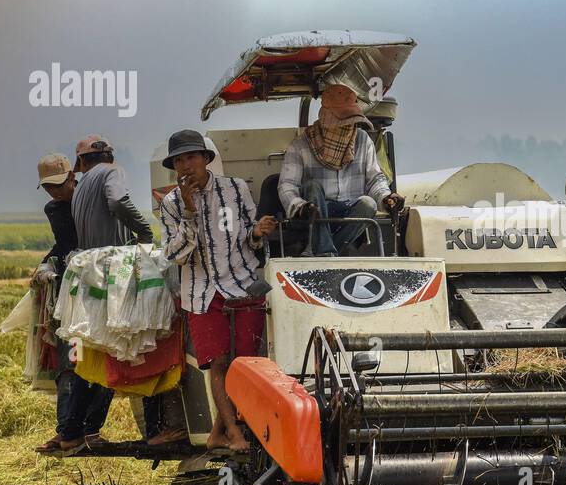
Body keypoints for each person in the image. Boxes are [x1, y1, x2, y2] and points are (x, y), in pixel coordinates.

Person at [158, 130, 277, 451]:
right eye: (179, 160)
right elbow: (175, 254)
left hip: (243, 284)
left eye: (191, 157)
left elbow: (251, 240)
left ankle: (217, 433)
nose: (186, 166)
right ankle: (234, 435)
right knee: (220, 362)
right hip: (202, 292)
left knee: (246, 362)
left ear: (206, 159)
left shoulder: (235, 189)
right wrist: (190, 213)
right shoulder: (170, 204)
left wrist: (258, 231)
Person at [68, 135, 174, 447]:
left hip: (89, 272)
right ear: (109, 156)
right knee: (139, 341)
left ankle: (78, 430)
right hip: (116, 268)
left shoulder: (81, 185)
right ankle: (155, 431)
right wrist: (143, 231)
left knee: (98, 352)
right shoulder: (113, 172)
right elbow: (116, 201)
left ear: (82, 163)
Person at [30, 153, 114, 454]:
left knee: (105, 362)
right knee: (72, 364)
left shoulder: (94, 202)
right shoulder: (55, 209)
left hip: (102, 288)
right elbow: (67, 245)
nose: (55, 192)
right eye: (49, 187)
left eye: (59, 184)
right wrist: (45, 264)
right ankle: (68, 431)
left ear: (72, 177)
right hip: (74, 294)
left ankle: (84, 430)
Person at [276, 84, 403, 256]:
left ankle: (324, 254)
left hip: (349, 216)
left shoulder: (363, 141)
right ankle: (325, 251)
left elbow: (375, 179)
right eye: (343, 122)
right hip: (314, 216)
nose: (348, 127)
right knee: (312, 186)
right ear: (327, 120)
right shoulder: (301, 145)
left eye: (351, 122)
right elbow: (286, 186)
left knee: (369, 203)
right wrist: (301, 207)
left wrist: (387, 198)